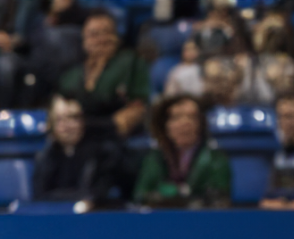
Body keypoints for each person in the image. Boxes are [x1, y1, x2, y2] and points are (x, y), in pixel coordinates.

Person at [57, 9, 149, 142]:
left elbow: (137, 110)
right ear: (84, 40)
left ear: (116, 37)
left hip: (115, 139)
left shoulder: (131, 63)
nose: (101, 39)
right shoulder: (72, 73)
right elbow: (60, 109)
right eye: (94, 34)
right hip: (76, 139)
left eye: (107, 32)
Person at [133, 94, 231, 208]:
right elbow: (141, 196)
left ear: (201, 124)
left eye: (192, 117)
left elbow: (220, 200)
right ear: (165, 125)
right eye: (176, 117)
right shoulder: (154, 157)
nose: (185, 123)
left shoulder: (215, 158)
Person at [32, 94, 119, 208]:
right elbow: (40, 196)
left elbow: (99, 195)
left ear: (83, 121)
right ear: (51, 124)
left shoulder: (102, 154)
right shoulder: (45, 157)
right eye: (59, 119)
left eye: (73, 118)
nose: (67, 126)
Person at [261, 92, 294, 210]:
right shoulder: (280, 157)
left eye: (291, 116)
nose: (285, 122)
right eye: (281, 117)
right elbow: (266, 201)